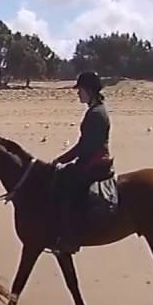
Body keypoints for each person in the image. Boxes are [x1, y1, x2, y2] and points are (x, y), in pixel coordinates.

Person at [50, 71, 113, 254]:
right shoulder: (95, 110)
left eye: (81, 90)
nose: (78, 93)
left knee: (66, 187)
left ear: (90, 90)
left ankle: (70, 237)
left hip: (94, 162)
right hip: (91, 159)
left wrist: (62, 161)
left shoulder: (96, 114)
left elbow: (85, 147)